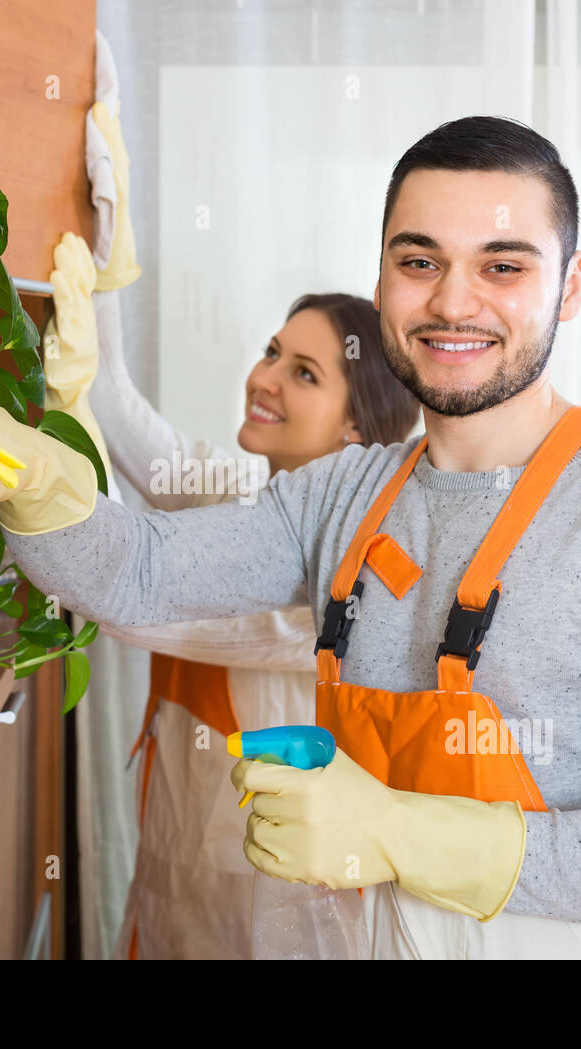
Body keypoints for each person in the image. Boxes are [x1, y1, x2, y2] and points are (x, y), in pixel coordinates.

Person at [0, 116, 581, 960]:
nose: (455, 303)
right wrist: (39, 479)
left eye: (504, 265)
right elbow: (139, 572)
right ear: (382, 282)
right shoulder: (345, 496)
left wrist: (406, 834)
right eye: (420, 262)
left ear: (571, 286)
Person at [76, 289, 419, 959]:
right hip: (175, 862)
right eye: (272, 353)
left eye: (304, 372)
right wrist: (103, 245)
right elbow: (113, 405)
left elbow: (138, 604)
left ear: (357, 426)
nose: (264, 378)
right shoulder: (235, 500)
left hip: (269, 898)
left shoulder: (344, 582)